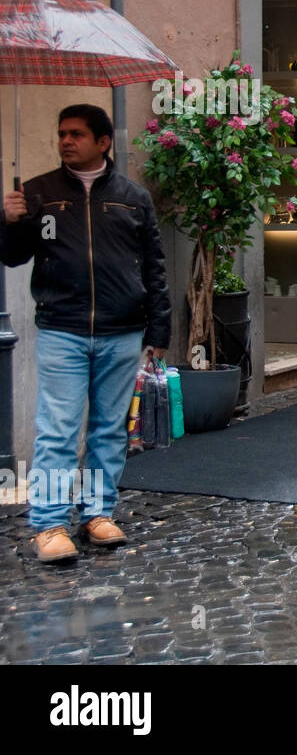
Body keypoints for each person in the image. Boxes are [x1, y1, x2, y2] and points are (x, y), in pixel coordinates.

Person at [1, 105, 171, 564]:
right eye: (61, 134)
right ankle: (50, 523)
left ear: (102, 142)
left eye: (76, 134)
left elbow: (154, 267)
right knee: (57, 429)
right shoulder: (37, 193)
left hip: (122, 330)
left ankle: (98, 513)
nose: (66, 141)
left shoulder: (133, 197)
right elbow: (13, 257)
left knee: (108, 430)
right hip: (63, 329)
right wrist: (10, 220)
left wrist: (159, 328)